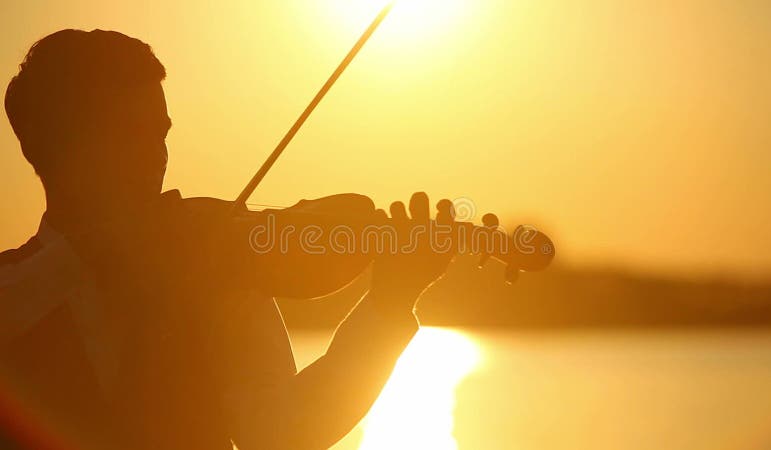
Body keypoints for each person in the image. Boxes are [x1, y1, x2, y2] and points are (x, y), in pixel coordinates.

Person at [0, 29, 463, 449]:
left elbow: (282, 434)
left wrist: (389, 305)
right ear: (48, 143)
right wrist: (91, 255)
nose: (155, 157)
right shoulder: (17, 288)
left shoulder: (208, 261)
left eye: (159, 134)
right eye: (128, 134)